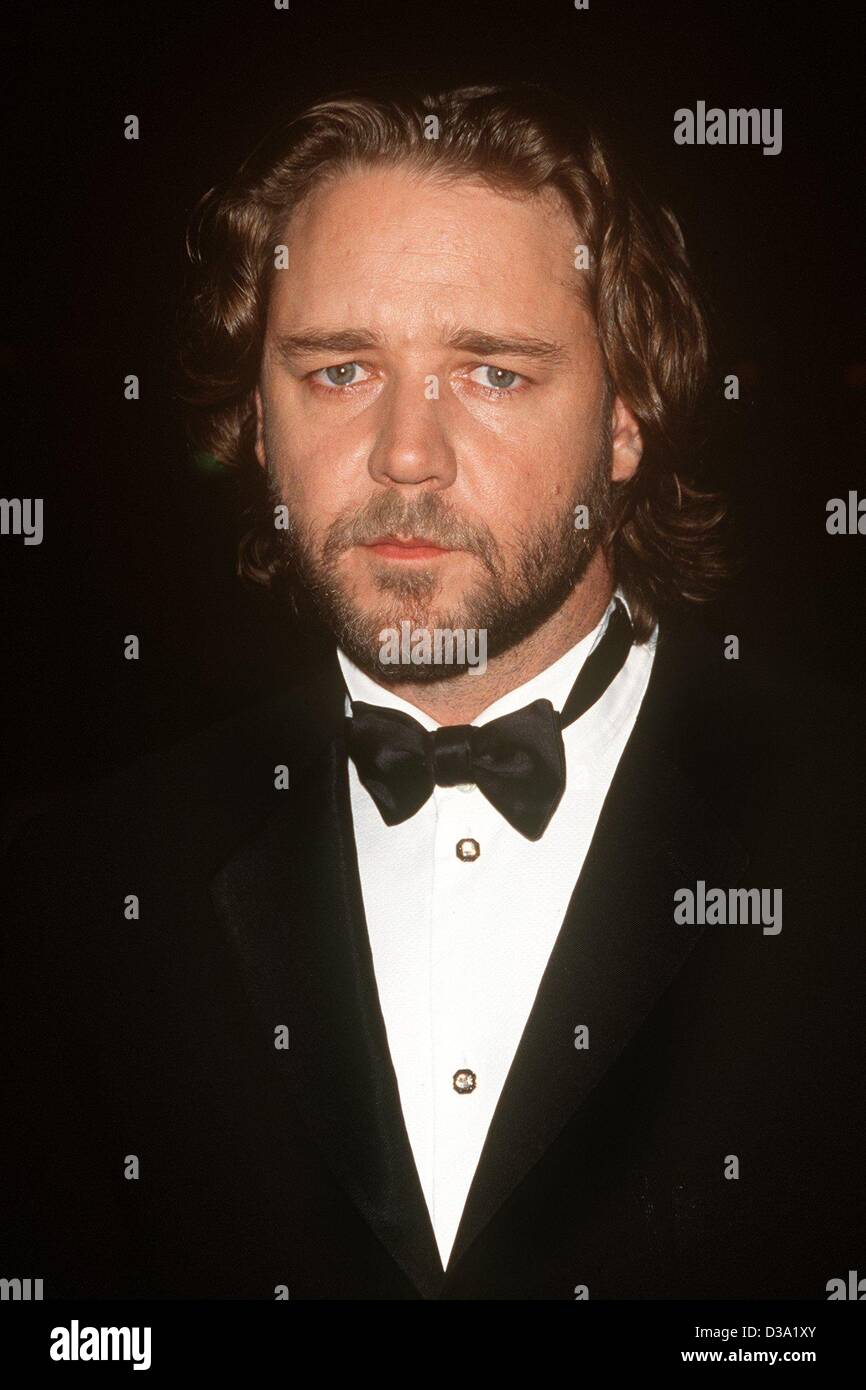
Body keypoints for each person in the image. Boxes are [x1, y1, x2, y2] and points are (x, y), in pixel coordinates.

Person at [2, 82, 863, 1300]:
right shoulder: (86, 891)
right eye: (340, 369)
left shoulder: (836, 825)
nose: (406, 451)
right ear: (257, 420)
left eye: (493, 373)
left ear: (624, 418)